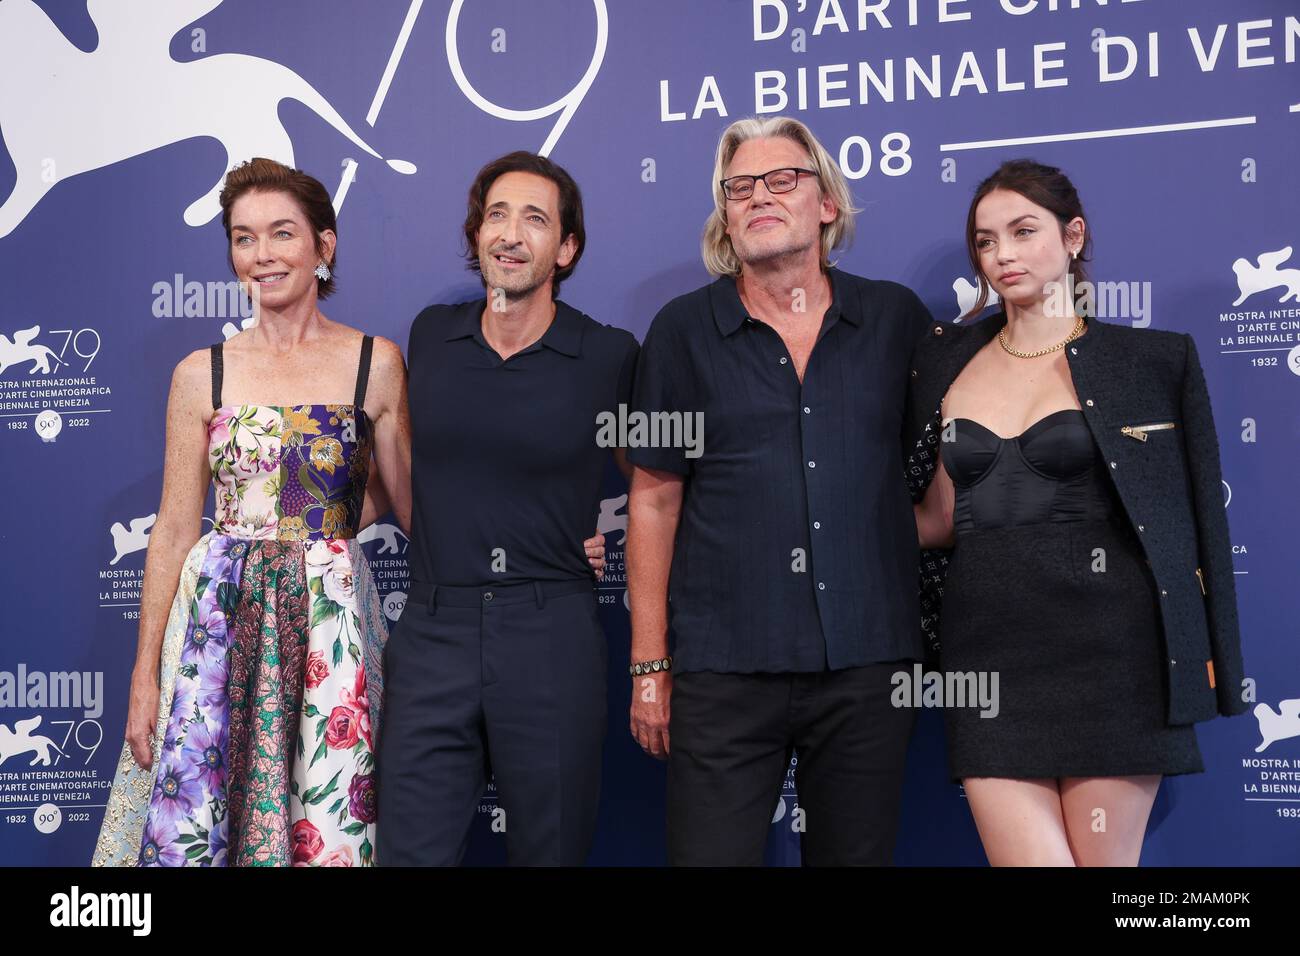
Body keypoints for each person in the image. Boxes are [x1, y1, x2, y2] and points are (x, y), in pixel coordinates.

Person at [909, 158, 1249, 866]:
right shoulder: (943, 365)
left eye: (1022, 231)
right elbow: (938, 518)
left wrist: (1213, 660)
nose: (1001, 254)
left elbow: (1200, 529)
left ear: (1073, 237)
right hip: (988, 661)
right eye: (985, 240)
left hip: (1114, 655)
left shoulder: (1152, 363)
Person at [627, 117, 933, 866]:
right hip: (723, 666)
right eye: (739, 187)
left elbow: (941, 479)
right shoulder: (683, 332)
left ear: (826, 202)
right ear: (726, 216)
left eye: (782, 180)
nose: (758, 196)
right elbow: (654, 501)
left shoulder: (894, 321)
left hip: (869, 665)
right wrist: (648, 665)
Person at [92, 157, 410, 866]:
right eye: (243, 238)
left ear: (324, 247)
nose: (261, 255)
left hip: (332, 626)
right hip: (219, 619)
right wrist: (145, 674)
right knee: (208, 814)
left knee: (326, 820)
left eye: (281, 233)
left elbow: (410, 500)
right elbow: (174, 530)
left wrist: (327, 529)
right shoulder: (201, 372)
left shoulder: (375, 363)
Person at [376, 151, 637, 866]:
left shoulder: (609, 355)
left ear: (567, 247)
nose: (511, 234)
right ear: (476, 234)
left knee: (549, 852)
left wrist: (600, 539)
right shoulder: (431, 336)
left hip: (549, 629)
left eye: (535, 218)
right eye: (496, 214)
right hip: (432, 630)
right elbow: (399, 471)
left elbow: (655, 491)